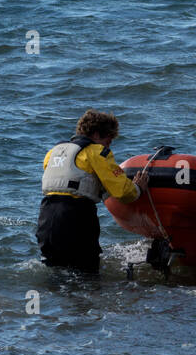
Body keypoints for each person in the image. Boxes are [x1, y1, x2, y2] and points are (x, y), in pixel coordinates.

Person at [37, 109, 147, 272]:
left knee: (56, 273)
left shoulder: (53, 153)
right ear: (96, 135)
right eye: (108, 141)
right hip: (76, 218)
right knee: (87, 275)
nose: (109, 146)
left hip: (46, 219)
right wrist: (138, 187)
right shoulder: (97, 152)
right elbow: (123, 192)